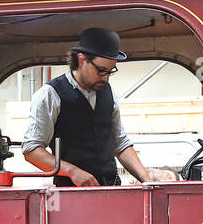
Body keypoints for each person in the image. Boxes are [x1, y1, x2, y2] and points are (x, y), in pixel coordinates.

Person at [21, 27, 158, 187]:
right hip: (71, 196)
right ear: (81, 60)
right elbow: (31, 150)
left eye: (110, 71)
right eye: (101, 71)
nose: (106, 79)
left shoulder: (108, 92)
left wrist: (148, 182)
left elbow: (119, 143)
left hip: (112, 190)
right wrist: (72, 171)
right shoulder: (51, 94)